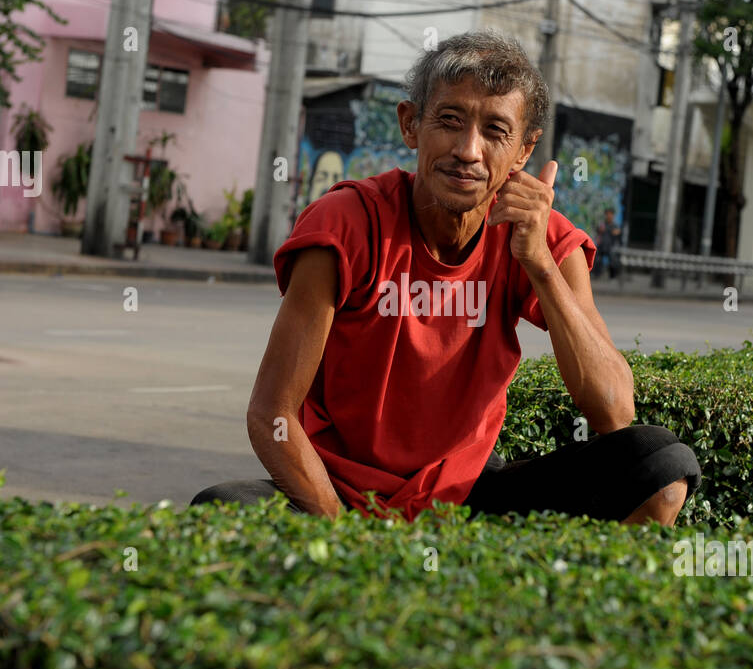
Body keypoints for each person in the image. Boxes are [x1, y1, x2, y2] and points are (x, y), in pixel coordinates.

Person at [191, 31, 700, 525]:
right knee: (220, 510)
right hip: (340, 490)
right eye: (450, 121)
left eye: (495, 131)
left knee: (660, 465)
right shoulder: (346, 223)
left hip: (466, 492)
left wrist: (540, 265)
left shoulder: (545, 240)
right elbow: (271, 415)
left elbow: (613, 411)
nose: (468, 150)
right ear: (411, 124)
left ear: (524, 151)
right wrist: (345, 538)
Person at [595, 207, 622, 279]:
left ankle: (613, 276)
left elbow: (618, 233)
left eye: (610, 214)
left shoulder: (615, 225)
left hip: (610, 247)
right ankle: (597, 274)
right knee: (596, 258)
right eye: (607, 214)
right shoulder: (602, 224)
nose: (609, 216)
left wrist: (617, 232)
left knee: (614, 259)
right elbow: (598, 231)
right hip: (601, 247)